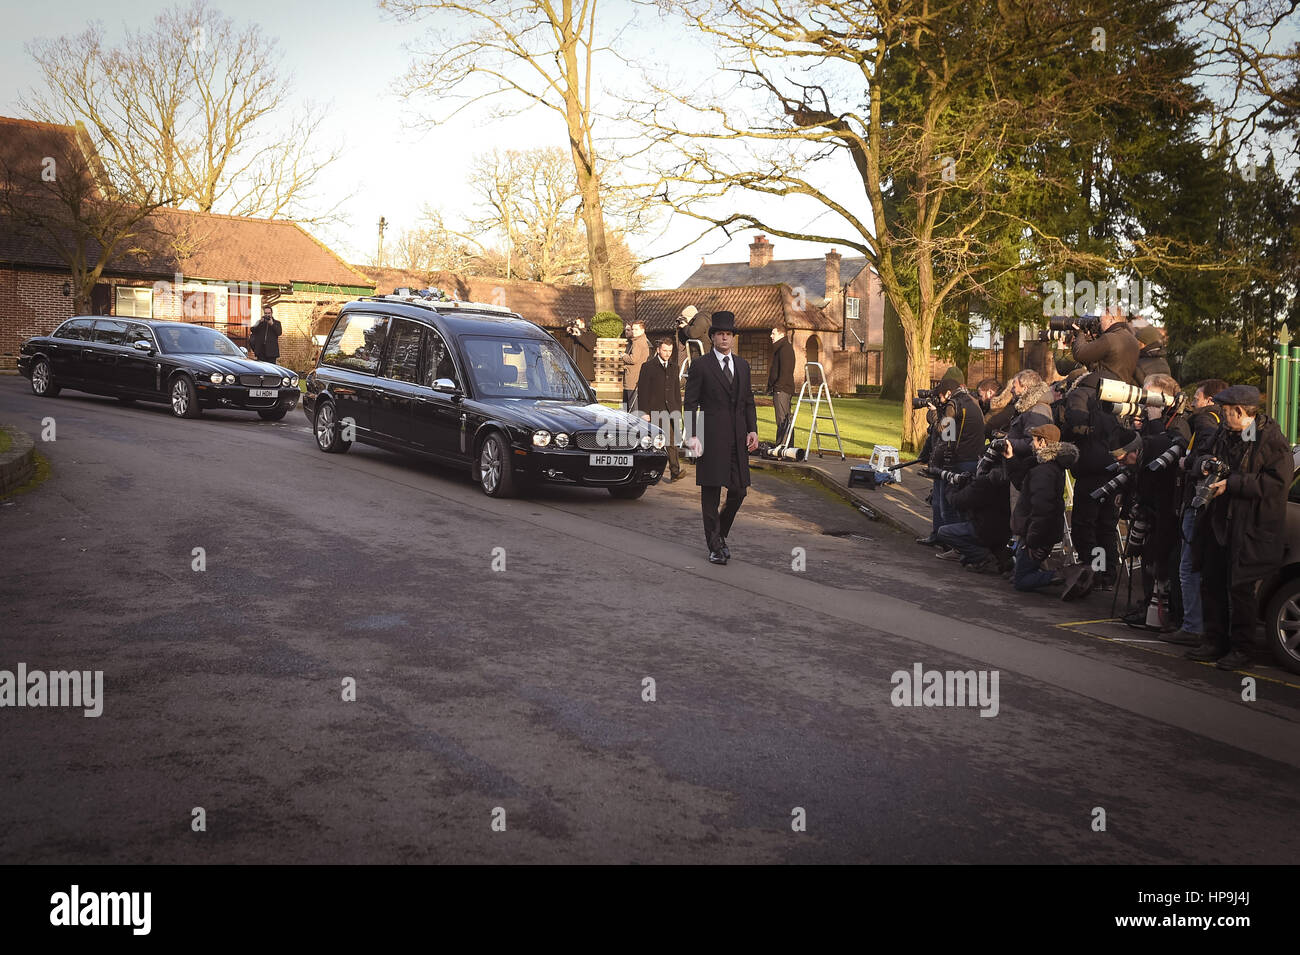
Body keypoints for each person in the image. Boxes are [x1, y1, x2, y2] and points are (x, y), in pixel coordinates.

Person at [1185, 385, 1293, 669]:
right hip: (1218, 523)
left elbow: (1276, 484)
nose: (1221, 414)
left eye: (1226, 410)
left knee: (1242, 591)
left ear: (1240, 411)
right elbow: (1200, 459)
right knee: (1212, 583)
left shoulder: (1271, 439)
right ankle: (1214, 641)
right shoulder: (1224, 434)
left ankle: (1243, 650)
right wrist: (1205, 465)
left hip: (1250, 528)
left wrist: (1231, 484)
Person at [684, 311, 759, 565]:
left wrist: (752, 430)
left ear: (733, 338)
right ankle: (714, 546)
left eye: (728, 334)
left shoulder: (743, 366)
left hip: (738, 439)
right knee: (711, 493)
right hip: (711, 438)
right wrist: (692, 435)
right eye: (719, 334)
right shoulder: (700, 365)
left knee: (739, 491)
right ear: (713, 337)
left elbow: (748, 401)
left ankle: (721, 535)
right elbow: (690, 403)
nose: (724, 339)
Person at [1160, 379, 1228, 647]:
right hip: (1204, 503)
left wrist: (1188, 462)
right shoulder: (1214, 422)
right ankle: (1194, 624)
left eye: (1197, 398)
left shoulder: (1205, 422)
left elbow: (1204, 459)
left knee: (1188, 566)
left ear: (1210, 400)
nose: (1193, 403)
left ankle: (1192, 626)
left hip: (1197, 502)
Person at [1007, 423, 1077, 592]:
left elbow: (1041, 510)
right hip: (1039, 532)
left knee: (1021, 580)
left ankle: (1064, 574)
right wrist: (1009, 458)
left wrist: (1032, 540)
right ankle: (1052, 574)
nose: (1031, 444)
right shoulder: (1048, 467)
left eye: (1034, 440)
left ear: (1043, 442)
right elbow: (1021, 484)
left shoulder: (1044, 471)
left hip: (1036, 535)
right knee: (1020, 572)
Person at [916, 375, 984, 547]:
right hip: (967, 458)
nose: (939, 400)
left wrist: (932, 413)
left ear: (947, 393)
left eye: (939, 397)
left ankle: (950, 542)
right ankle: (941, 537)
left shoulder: (954, 404)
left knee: (946, 505)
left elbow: (944, 431)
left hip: (956, 460)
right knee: (944, 502)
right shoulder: (971, 401)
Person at [638, 338, 684, 482]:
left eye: (670, 351)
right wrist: (644, 412)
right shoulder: (648, 367)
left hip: (670, 410)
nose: (667, 353)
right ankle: (647, 473)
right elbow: (643, 391)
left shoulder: (674, 367)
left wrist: (678, 410)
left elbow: (676, 390)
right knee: (654, 444)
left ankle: (675, 472)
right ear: (658, 349)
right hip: (653, 411)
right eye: (665, 350)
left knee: (671, 443)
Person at [767, 325, 796, 444]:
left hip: (783, 390)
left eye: (773, 333)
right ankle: (785, 447)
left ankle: (783, 447)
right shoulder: (781, 348)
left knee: (782, 420)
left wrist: (778, 388)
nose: (771, 336)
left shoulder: (785, 349)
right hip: (781, 389)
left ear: (781, 334)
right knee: (783, 419)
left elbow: (786, 371)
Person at [621, 320, 649, 412]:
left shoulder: (638, 342)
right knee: (628, 406)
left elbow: (633, 359)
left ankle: (630, 426)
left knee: (631, 408)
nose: (634, 331)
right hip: (633, 376)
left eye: (636, 329)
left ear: (642, 330)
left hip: (633, 377)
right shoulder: (636, 341)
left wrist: (624, 356)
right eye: (633, 329)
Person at [565, 317, 596, 383]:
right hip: (572, 371)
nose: (576, 326)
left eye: (577, 325)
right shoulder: (573, 336)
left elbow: (589, 347)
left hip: (584, 373)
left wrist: (579, 335)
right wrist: (568, 334)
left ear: (583, 324)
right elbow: (565, 347)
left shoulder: (591, 335)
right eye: (575, 325)